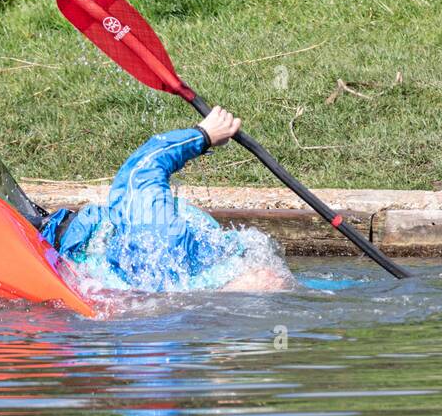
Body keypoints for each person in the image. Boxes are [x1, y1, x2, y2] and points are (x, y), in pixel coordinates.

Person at [38, 106, 293, 292]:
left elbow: (141, 169)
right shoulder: (193, 279)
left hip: (53, 236)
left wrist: (203, 135)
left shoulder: (161, 240)